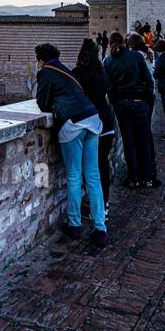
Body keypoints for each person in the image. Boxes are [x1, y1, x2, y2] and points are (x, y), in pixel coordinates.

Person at [33, 43, 108, 247]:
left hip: (73, 123)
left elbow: (42, 103)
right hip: (93, 119)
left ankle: (74, 225)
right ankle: (101, 228)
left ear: (40, 59)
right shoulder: (66, 70)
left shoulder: (45, 73)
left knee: (75, 175)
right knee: (93, 175)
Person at [105, 33, 159, 189]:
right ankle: (148, 178)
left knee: (129, 142)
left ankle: (133, 178)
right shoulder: (136, 57)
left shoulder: (108, 61)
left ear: (110, 44)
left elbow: (109, 88)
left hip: (121, 105)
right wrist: (146, 99)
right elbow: (148, 81)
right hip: (139, 103)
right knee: (143, 140)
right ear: (124, 42)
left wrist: (115, 102)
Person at [72, 37, 117, 208]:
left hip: (89, 125)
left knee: (89, 170)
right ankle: (103, 203)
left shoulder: (77, 73)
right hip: (106, 122)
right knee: (102, 165)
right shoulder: (102, 74)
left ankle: (94, 206)